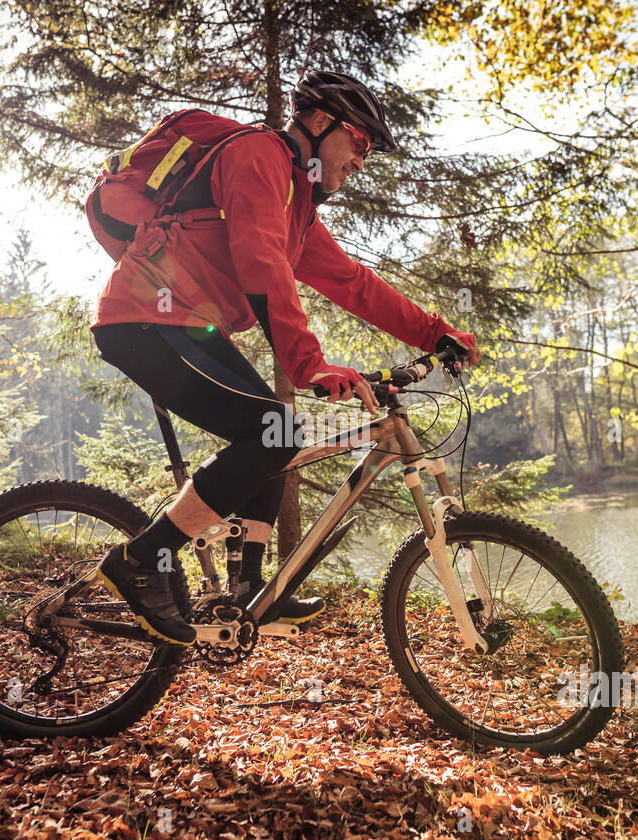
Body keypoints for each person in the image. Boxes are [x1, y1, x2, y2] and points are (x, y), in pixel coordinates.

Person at [92, 70, 480, 646]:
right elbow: (260, 261)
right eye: (360, 142)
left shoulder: (297, 206)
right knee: (275, 435)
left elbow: (354, 283)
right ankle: (143, 558)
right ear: (320, 123)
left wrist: (436, 334)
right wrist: (310, 365)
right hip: (145, 319)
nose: (361, 161)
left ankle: (250, 592)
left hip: (187, 326)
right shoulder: (258, 155)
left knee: (278, 430)